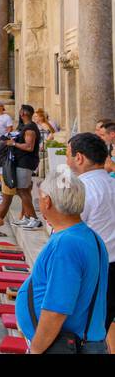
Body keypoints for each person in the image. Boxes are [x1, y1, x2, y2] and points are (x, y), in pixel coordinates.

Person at [16, 166, 109, 353]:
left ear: (46, 201)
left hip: (67, 345)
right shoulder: (89, 236)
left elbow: (56, 309)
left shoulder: (67, 244)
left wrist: (35, 349)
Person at [67, 132, 115, 352]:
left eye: (68, 155)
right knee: (101, 325)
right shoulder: (112, 184)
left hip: (92, 268)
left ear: (79, 158)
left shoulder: (82, 190)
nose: (66, 161)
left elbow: (69, 232)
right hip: (112, 265)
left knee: (80, 332)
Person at [5, 107, 42, 229]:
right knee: (24, 190)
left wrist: (14, 143)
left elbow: (29, 147)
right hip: (22, 161)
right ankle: (27, 217)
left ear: (23, 113)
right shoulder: (26, 127)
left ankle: (34, 218)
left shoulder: (30, 128)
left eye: (20, 111)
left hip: (25, 162)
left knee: (22, 190)